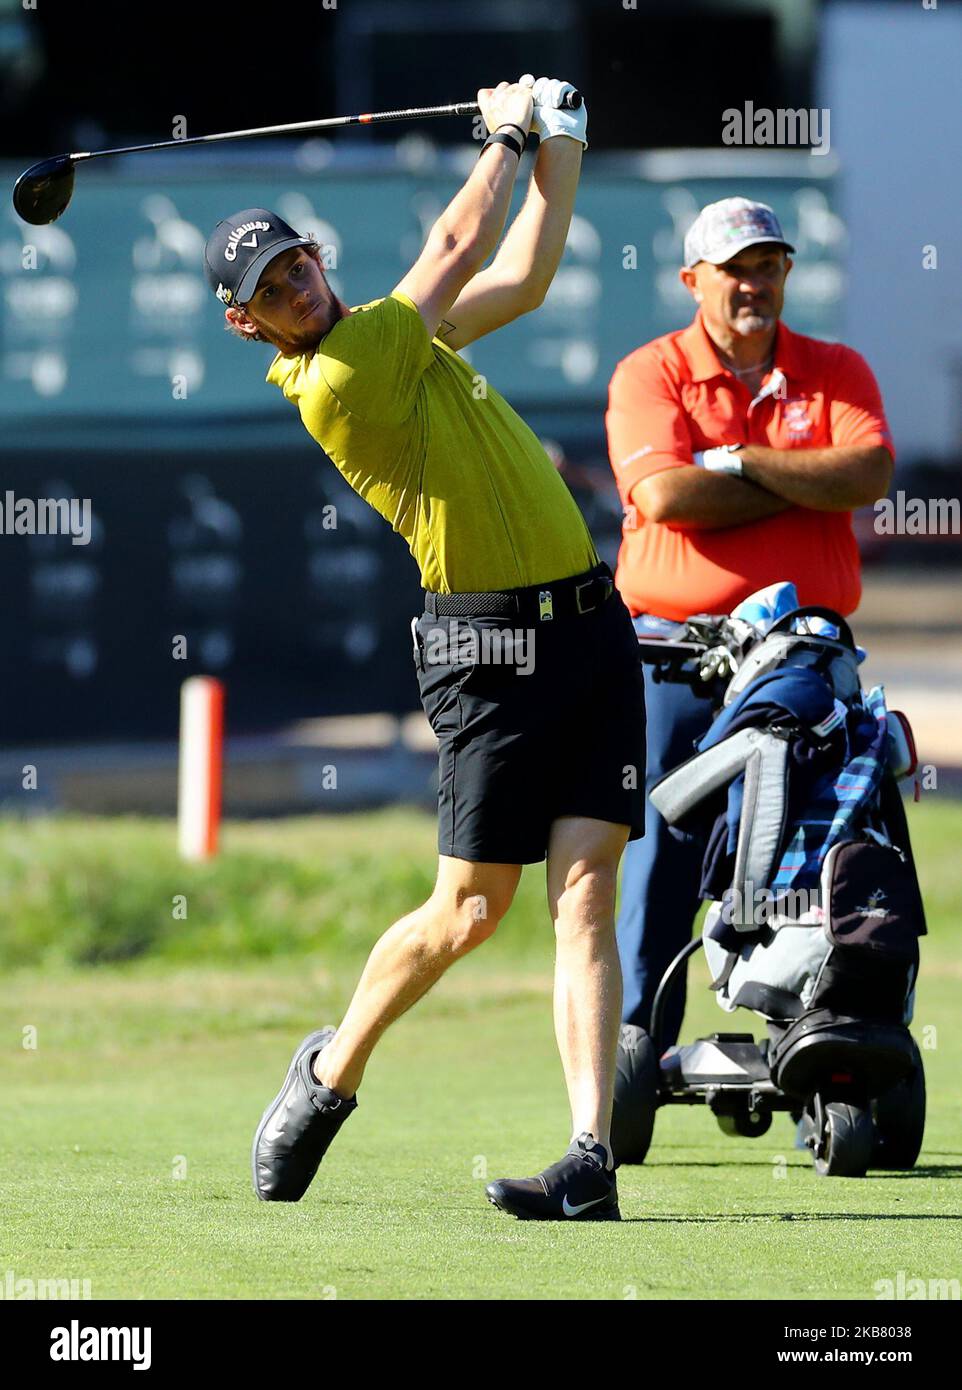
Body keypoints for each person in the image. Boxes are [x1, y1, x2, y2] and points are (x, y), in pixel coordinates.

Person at [205, 78, 646, 1221]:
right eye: (272, 289)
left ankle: (588, 1157)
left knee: (585, 891)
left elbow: (524, 272)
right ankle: (329, 1070)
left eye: (297, 262)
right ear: (247, 323)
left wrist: (564, 141)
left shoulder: (394, 338)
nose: (299, 284)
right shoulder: (346, 376)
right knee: (467, 913)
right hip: (486, 653)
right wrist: (505, 132)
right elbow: (457, 240)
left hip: (589, 630)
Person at [606, 196, 894, 1048]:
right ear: (694, 279)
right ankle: (636, 1046)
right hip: (678, 659)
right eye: (734, 269)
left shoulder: (834, 367)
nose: (752, 285)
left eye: (767, 266)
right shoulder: (650, 372)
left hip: (803, 663)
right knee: (661, 848)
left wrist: (734, 463)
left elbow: (869, 471)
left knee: (818, 841)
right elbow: (663, 496)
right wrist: (807, 476)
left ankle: (814, 1025)